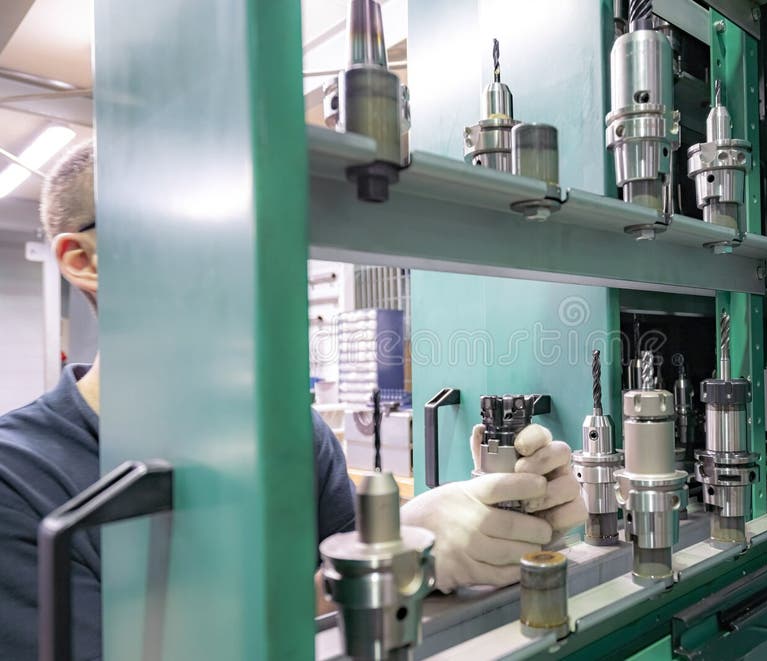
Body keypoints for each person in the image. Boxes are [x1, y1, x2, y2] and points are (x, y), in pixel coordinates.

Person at [0, 141, 585, 659]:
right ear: (84, 259)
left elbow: (356, 598)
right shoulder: (19, 479)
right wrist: (398, 549)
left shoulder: (293, 436)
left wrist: (495, 527)